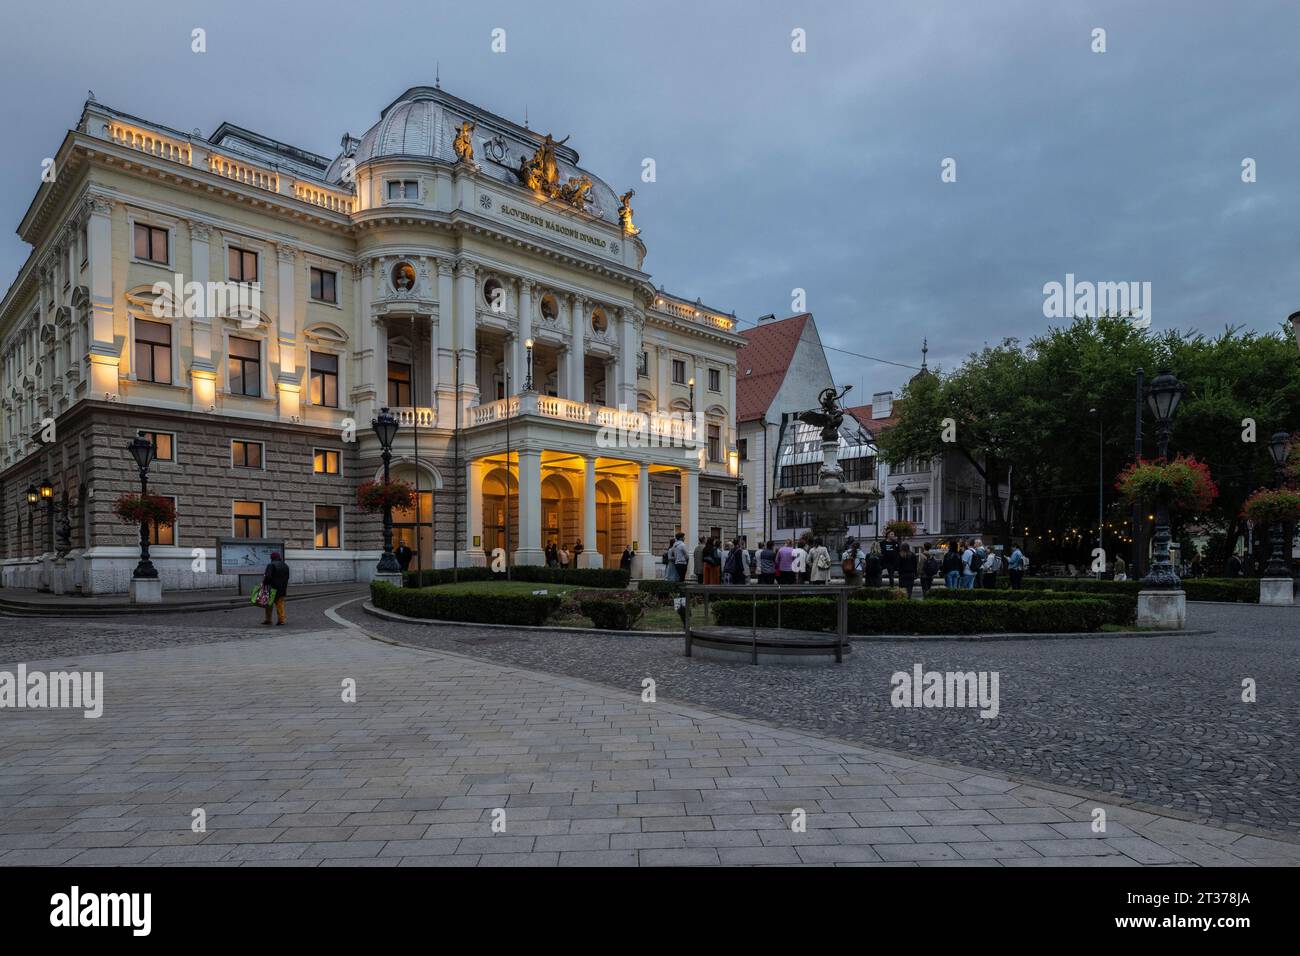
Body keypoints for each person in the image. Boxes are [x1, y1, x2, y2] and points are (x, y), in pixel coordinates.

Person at [261, 550, 289, 626]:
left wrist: (264, 584)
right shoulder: (285, 565)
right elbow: (287, 577)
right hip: (282, 588)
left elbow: (268, 577)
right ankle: (281, 619)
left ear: (272, 558)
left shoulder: (271, 565)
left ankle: (268, 619)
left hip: (272, 588)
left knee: (269, 604)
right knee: (280, 604)